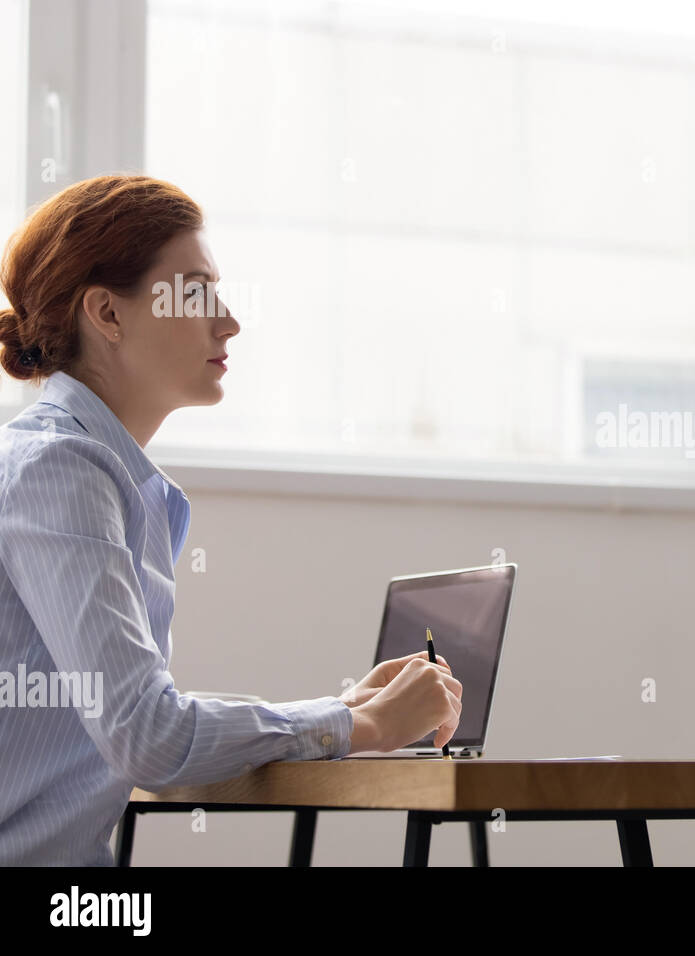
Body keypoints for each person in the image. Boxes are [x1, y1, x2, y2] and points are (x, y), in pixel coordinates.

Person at [0, 175, 462, 866]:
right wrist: (357, 723)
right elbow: (147, 735)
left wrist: (339, 713)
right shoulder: (59, 468)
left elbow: (144, 727)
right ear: (108, 313)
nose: (229, 321)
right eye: (195, 291)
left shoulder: (92, 471)